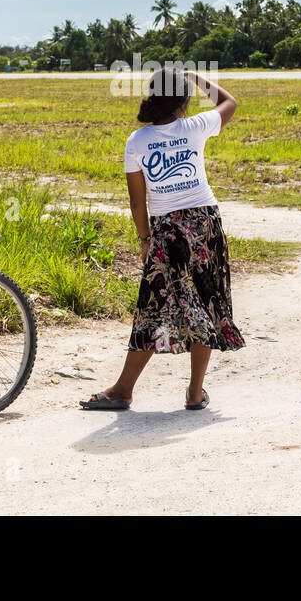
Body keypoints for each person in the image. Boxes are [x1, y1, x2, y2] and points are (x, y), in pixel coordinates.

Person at [80, 67, 243, 411]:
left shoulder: (137, 141)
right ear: (183, 103)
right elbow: (229, 101)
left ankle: (123, 389)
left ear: (153, 98)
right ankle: (195, 392)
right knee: (206, 305)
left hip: (167, 230)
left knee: (152, 306)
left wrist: (144, 239)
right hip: (205, 224)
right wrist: (196, 77)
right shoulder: (196, 126)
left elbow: (137, 201)